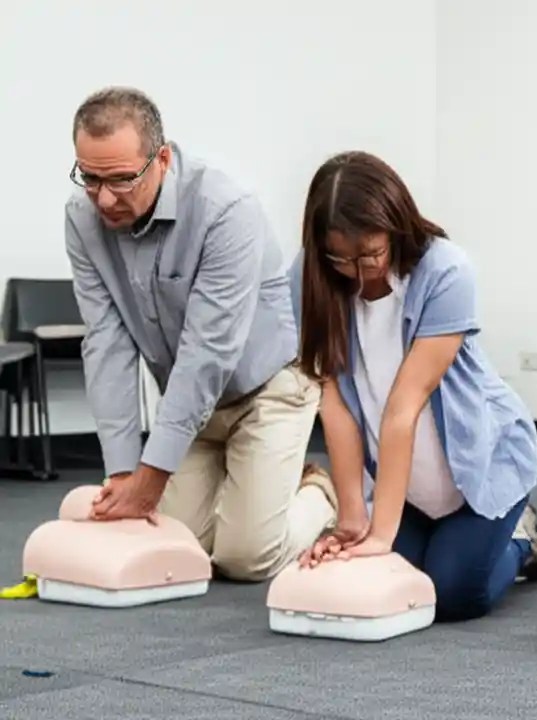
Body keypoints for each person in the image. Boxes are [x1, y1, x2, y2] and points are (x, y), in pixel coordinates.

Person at [64, 86, 336, 581]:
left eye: (121, 180)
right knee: (180, 545)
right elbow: (106, 341)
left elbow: (206, 353)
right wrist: (125, 474)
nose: (103, 198)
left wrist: (153, 477)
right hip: (192, 408)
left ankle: (318, 491)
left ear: (161, 159)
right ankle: (254, 491)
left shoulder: (226, 212)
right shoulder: (82, 219)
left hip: (268, 391)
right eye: (90, 178)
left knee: (246, 559)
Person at [289, 150, 537, 622]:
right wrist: (354, 519)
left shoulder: (445, 271)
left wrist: (381, 532)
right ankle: (425, 534)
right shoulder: (307, 281)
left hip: (481, 468)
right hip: (405, 481)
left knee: (451, 594)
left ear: (395, 226)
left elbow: (403, 406)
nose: (360, 272)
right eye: (342, 259)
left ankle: (522, 539)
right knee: (393, 578)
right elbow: (336, 410)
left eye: (371, 253)